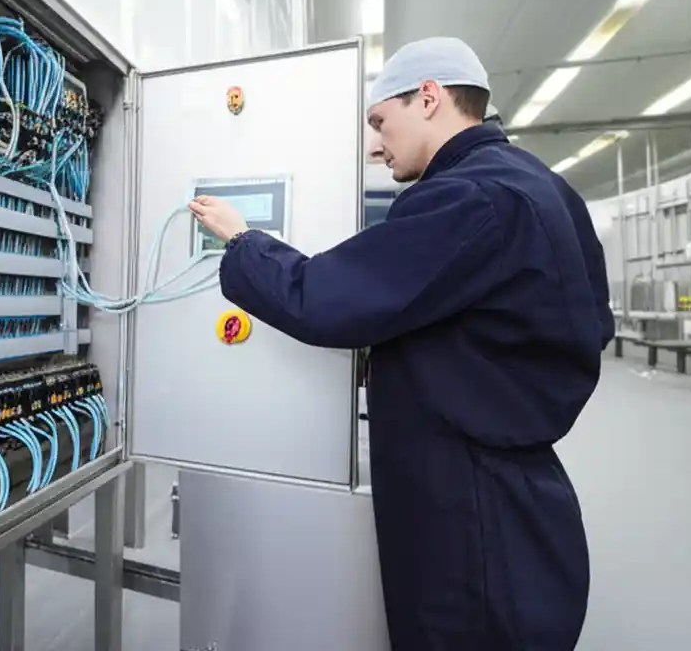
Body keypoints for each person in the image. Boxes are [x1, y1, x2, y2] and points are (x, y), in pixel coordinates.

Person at [189, 37, 614, 651]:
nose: (372, 142)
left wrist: (241, 240)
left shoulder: (469, 197)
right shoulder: (542, 185)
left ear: (430, 97)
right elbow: (589, 321)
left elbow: (325, 299)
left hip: (468, 510)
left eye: (380, 120)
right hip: (518, 487)